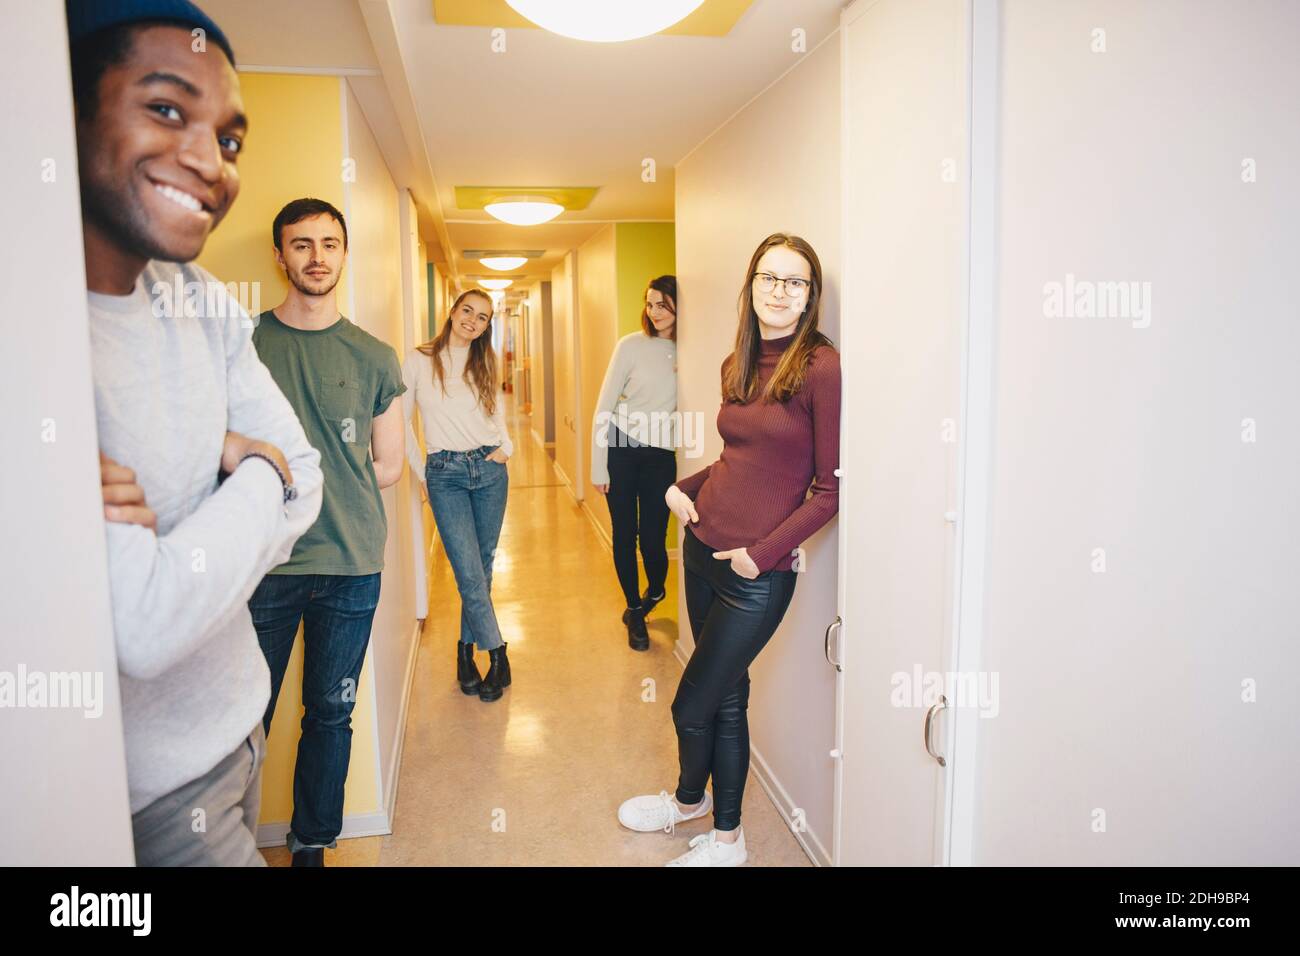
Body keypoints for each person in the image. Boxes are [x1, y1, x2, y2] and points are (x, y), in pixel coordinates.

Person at [67, 0, 324, 866]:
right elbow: (142, 627)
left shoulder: (203, 302)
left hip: (242, 720)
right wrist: (255, 478)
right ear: (66, 109)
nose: (208, 160)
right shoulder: (35, 342)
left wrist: (248, 478)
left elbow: (310, 477)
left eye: (230, 138)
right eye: (166, 109)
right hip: (147, 794)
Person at [618, 233, 841, 866]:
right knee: (729, 695)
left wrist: (762, 554)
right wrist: (680, 488)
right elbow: (736, 460)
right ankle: (704, 814)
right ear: (751, 287)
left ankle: (727, 837)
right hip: (699, 547)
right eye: (769, 278)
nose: (780, 291)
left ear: (809, 296)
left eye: (794, 282)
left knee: (692, 702)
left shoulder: (821, 367)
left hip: (753, 576)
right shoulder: (734, 363)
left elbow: (827, 492)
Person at [247, 198, 406, 867]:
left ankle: (311, 841)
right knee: (243, 720)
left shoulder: (373, 355)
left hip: (351, 564)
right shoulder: (246, 343)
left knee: (329, 714)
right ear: (280, 256)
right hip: (262, 567)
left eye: (330, 244)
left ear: (344, 254)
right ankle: (225, 845)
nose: (317, 257)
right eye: (302, 244)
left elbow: (391, 465)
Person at [403, 290, 514, 702]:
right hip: (444, 474)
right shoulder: (418, 360)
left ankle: (465, 652)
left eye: (482, 317)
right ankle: (498, 653)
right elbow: (400, 423)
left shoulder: (484, 359)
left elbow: (496, 413)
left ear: (487, 326)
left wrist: (508, 449)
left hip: (489, 470)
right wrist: (423, 474)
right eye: (467, 311)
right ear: (451, 311)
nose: (472, 320)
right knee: (467, 572)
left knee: (480, 569)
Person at [590, 276, 679, 651]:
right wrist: (598, 466)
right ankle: (634, 613)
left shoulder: (690, 348)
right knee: (625, 535)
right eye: (650, 304)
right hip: (620, 448)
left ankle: (655, 591)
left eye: (662, 304)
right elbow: (604, 404)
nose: (654, 311)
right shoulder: (630, 345)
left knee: (655, 540)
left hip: (661, 456)